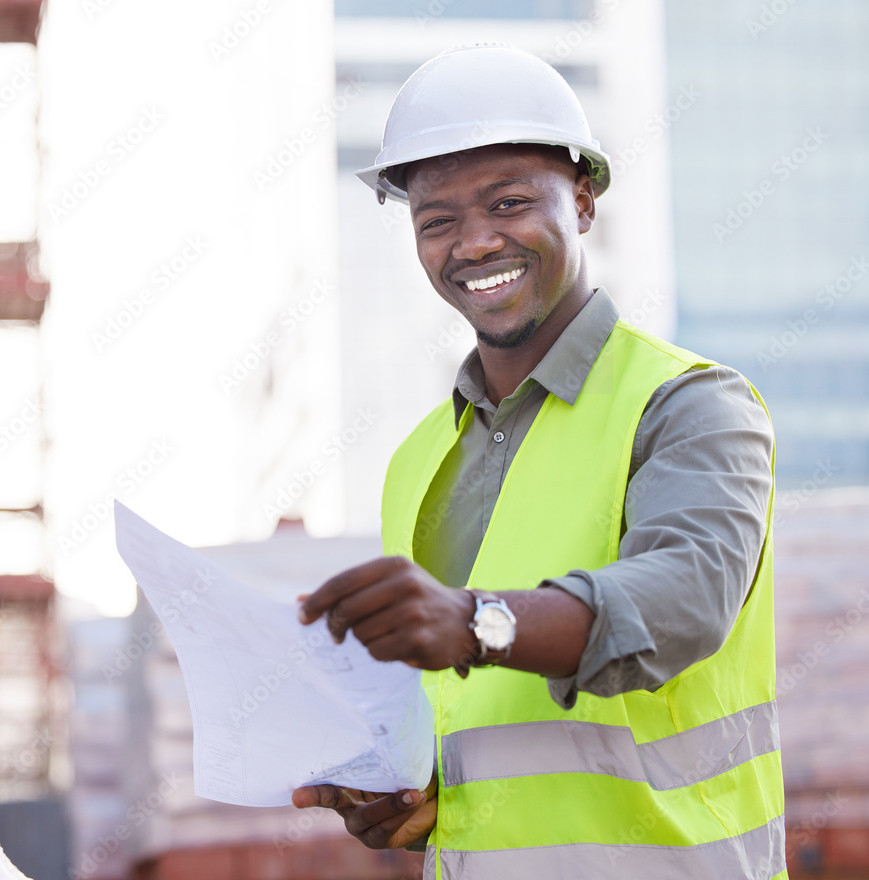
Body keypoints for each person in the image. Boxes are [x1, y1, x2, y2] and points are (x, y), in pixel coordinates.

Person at [292, 44, 786, 879]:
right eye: (437, 221)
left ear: (585, 201)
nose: (475, 243)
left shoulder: (691, 405)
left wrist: (474, 621)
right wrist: (401, 798)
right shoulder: (418, 462)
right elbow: (466, 721)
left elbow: (685, 599)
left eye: (510, 203)